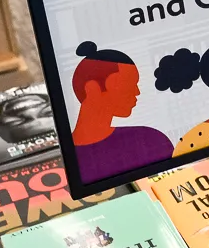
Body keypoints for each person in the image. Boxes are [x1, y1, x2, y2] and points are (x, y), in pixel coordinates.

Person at [68, 44, 175, 178]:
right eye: (127, 84)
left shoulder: (151, 139)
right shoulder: (70, 161)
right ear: (92, 89)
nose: (137, 92)